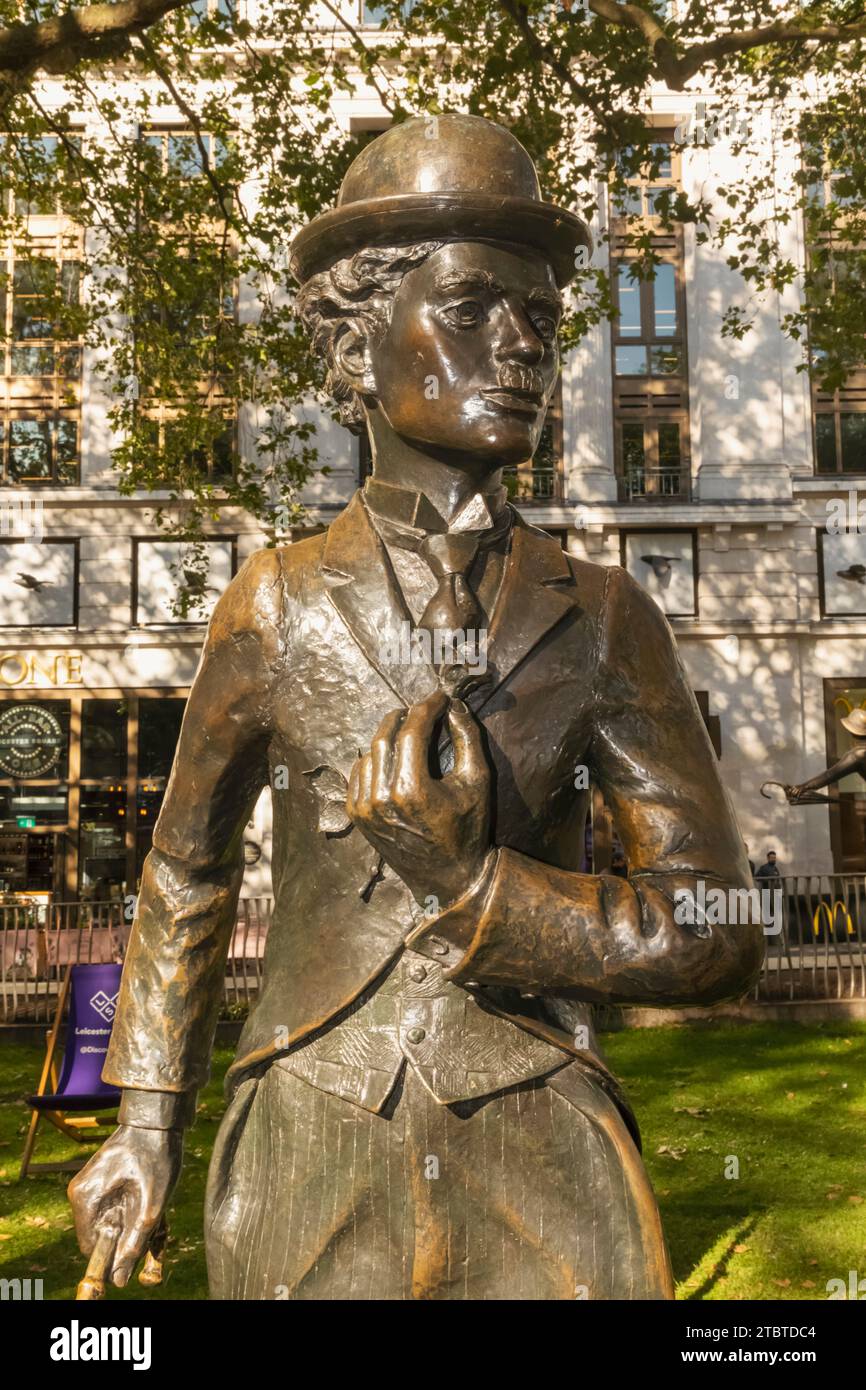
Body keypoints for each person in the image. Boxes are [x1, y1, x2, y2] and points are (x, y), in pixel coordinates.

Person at [69, 115, 762, 1302]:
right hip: (306, 1139)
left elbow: (711, 927)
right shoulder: (271, 605)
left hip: (540, 1144)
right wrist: (146, 1120)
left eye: (540, 321)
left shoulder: (602, 616)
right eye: (473, 308)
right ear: (356, 339)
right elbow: (184, 869)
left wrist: (477, 894)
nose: (522, 350)